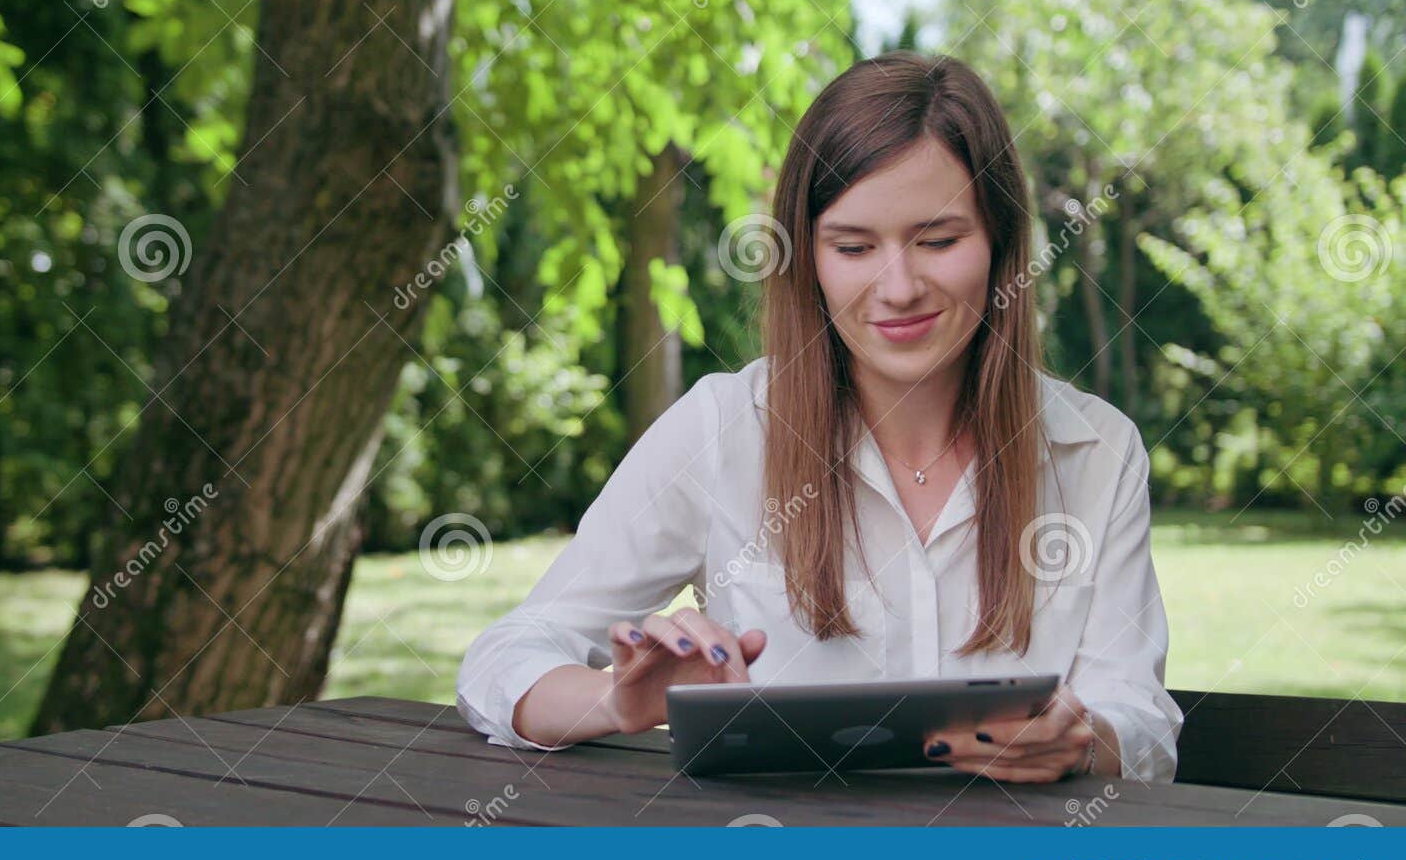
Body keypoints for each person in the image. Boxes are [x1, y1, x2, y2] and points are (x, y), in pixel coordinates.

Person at [455, 51, 1183, 783]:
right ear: (807, 258)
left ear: (1000, 247)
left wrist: (1082, 742)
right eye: (853, 247)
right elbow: (508, 655)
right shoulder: (723, 428)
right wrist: (615, 700)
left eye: (938, 241)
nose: (898, 287)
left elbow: (1141, 718)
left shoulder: (1097, 453)